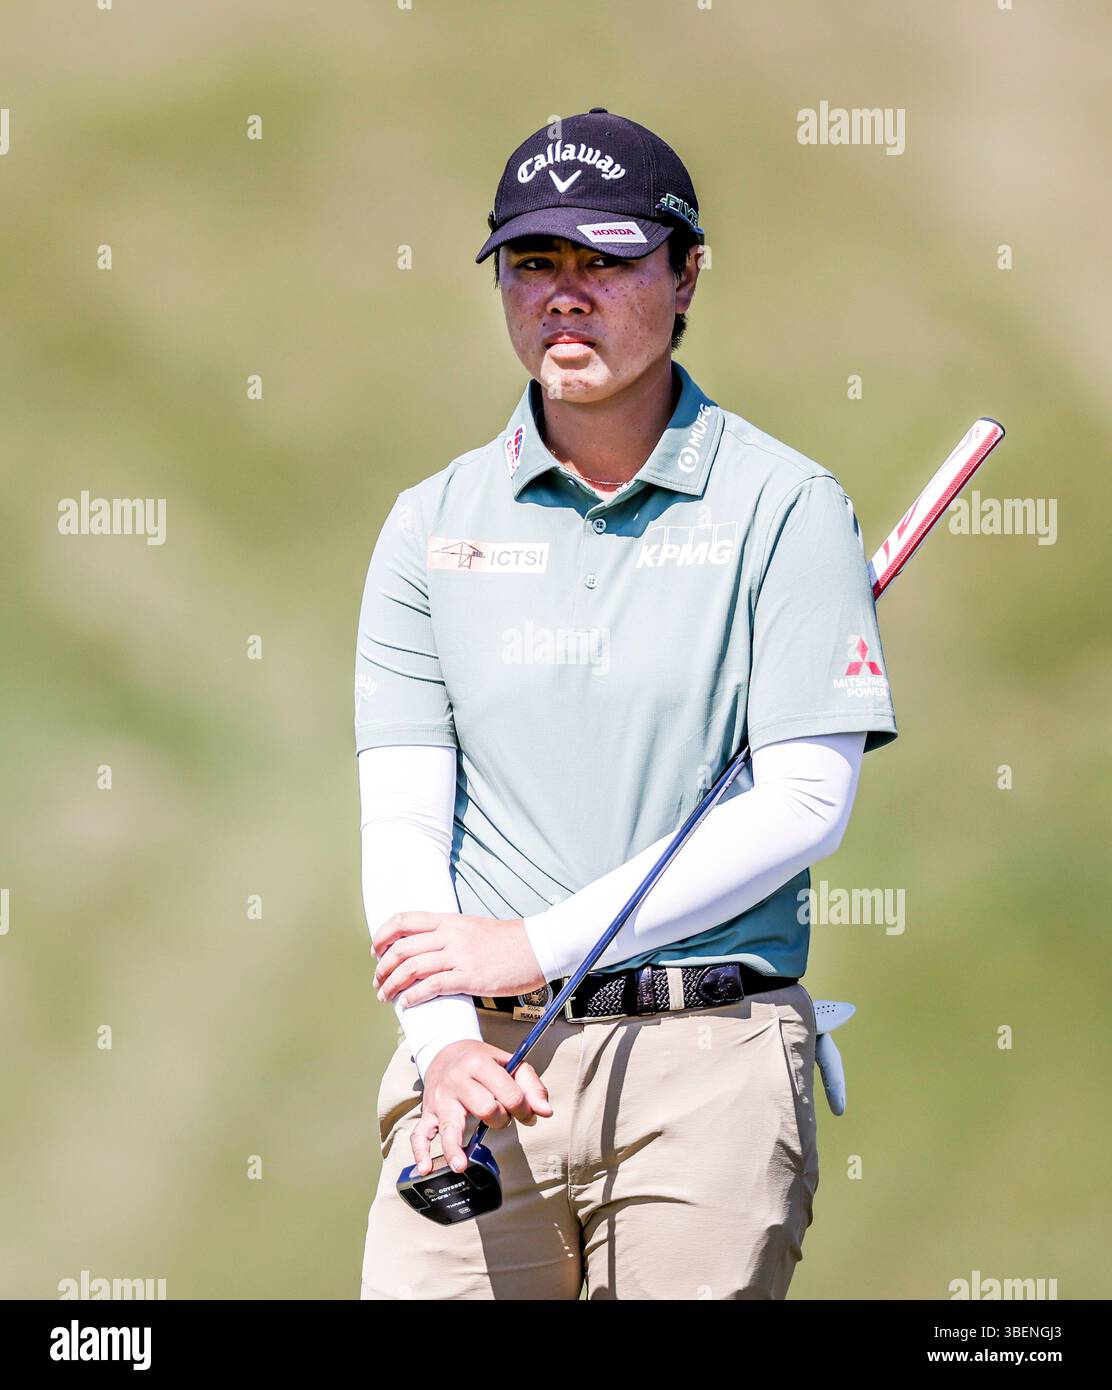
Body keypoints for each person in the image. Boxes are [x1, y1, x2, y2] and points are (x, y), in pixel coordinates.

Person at [353, 108, 897, 1300]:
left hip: (706, 1060)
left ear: (685, 273)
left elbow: (802, 804)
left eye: (604, 260)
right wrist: (441, 1044)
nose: (564, 294)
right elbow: (401, 824)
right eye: (532, 261)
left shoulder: (785, 506)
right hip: (480, 1063)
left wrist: (533, 943)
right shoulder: (428, 524)